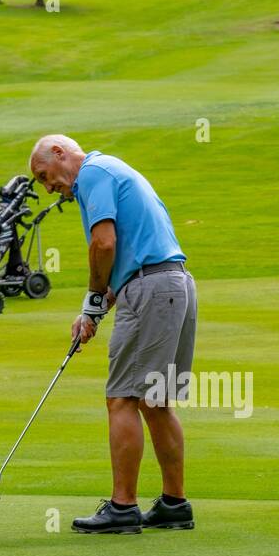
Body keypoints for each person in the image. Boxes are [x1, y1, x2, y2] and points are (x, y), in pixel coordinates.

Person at [30, 134, 197, 535]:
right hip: (174, 284)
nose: (48, 185)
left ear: (59, 153)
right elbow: (131, 252)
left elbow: (103, 244)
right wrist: (97, 306)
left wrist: (92, 297)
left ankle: (123, 507)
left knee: (122, 397)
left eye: (44, 175)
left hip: (151, 289)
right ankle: (175, 504)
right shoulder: (113, 170)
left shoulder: (93, 174)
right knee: (155, 400)